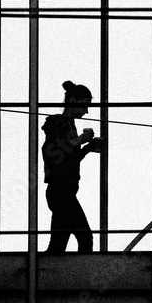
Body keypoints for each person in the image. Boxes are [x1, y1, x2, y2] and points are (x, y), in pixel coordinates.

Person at [42, 80, 104, 253]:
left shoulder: (69, 125)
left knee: (58, 244)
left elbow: (67, 158)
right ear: (73, 101)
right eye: (84, 105)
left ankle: (46, 268)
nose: (86, 111)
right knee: (85, 238)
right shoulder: (57, 123)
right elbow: (53, 154)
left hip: (62, 192)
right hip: (61, 192)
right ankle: (82, 268)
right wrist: (79, 141)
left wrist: (87, 148)